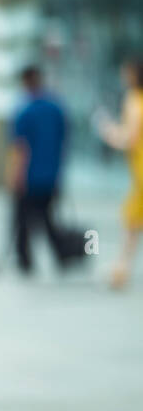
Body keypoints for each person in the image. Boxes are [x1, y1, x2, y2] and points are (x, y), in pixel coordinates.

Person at [6, 65, 84, 276]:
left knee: (22, 220)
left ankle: (24, 260)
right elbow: (64, 141)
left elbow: (20, 149)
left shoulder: (24, 111)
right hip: (51, 175)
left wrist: (14, 177)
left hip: (29, 177)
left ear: (25, 82)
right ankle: (61, 255)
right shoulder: (57, 108)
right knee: (48, 218)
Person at [94, 57, 143, 289]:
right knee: (132, 221)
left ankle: (120, 270)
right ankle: (120, 269)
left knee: (131, 220)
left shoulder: (134, 100)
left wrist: (107, 130)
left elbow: (128, 138)